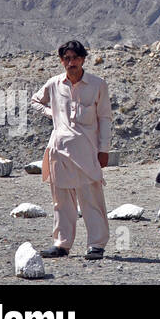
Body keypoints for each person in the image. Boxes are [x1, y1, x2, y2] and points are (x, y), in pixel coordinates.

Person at [31, 40, 113, 261]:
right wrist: (53, 114)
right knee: (62, 200)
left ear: (83, 59)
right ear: (61, 61)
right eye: (66, 59)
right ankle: (61, 244)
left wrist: (104, 149)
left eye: (75, 58)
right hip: (58, 150)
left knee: (91, 199)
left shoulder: (97, 85)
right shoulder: (54, 84)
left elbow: (105, 118)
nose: (71, 63)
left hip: (87, 152)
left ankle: (96, 245)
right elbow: (35, 101)